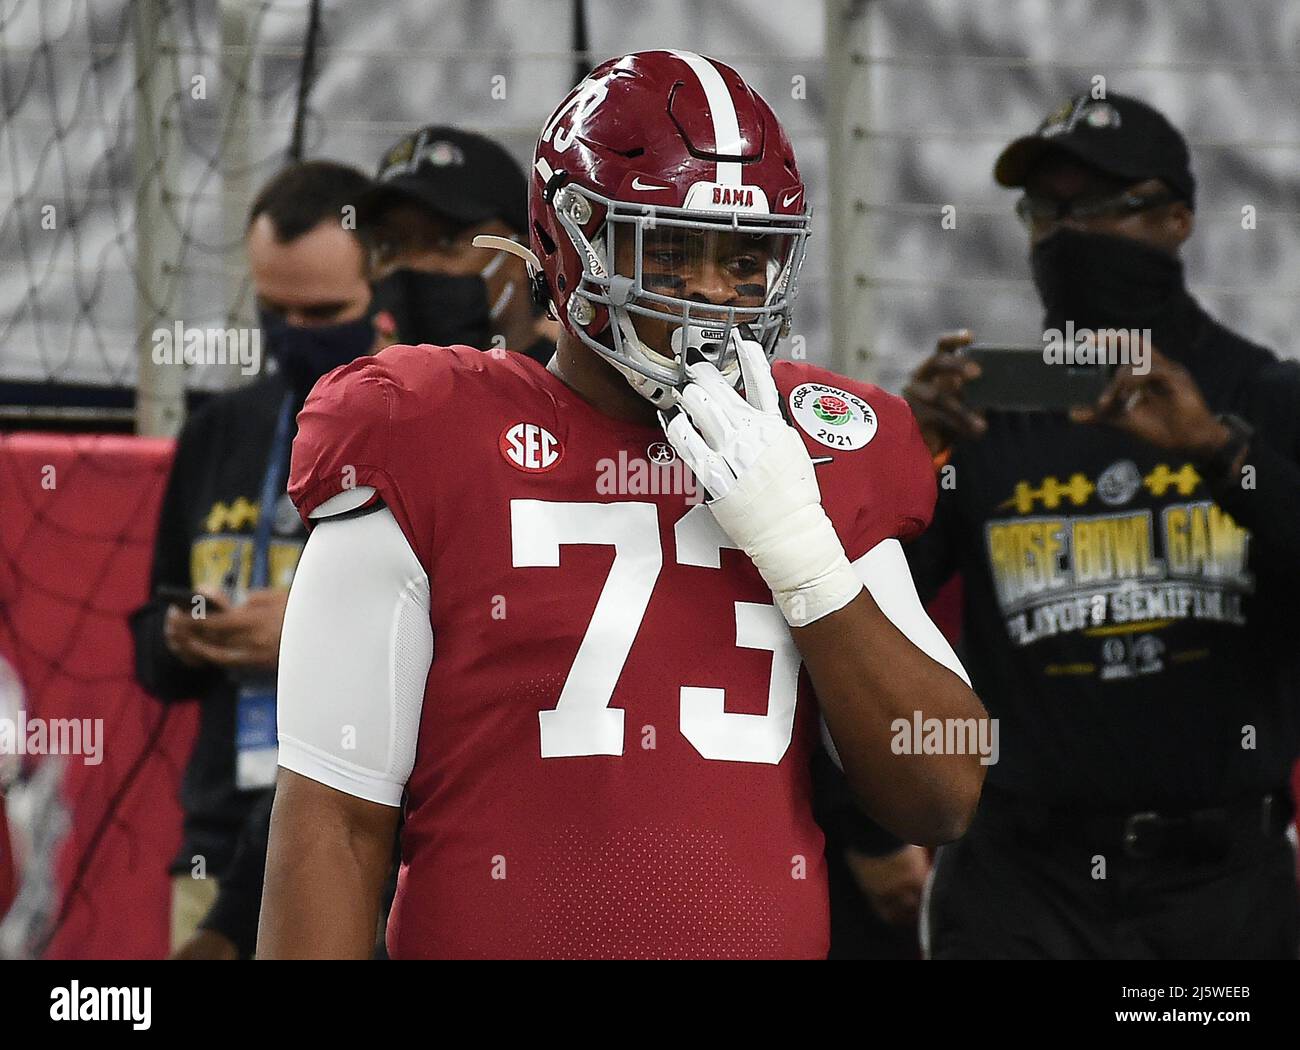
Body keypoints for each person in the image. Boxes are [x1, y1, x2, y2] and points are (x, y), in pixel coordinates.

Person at [258, 49, 987, 960]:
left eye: (746, 258)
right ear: (568, 240)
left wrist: (805, 555)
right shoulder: (429, 430)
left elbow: (943, 790)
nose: (716, 295)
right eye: (673, 249)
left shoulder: (816, 446)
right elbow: (333, 817)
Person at [904, 92, 1300, 959]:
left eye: (1098, 207)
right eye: (1046, 210)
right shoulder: (986, 410)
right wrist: (904, 456)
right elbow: (868, 616)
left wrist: (1220, 452)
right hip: (1025, 888)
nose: (1064, 233)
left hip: (1219, 894)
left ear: (1176, 219)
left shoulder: (1261, 397)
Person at [129, 159, 390, 958]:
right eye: (274, 311)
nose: (295, 336)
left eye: (324, 312)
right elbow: (150, 649)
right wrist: (184, 631)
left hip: (365, 841)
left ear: (383, 288)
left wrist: (311, 641)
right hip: (218, 828)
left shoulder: (422, 434)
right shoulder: (221, 431)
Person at [362, 125, 557, 362]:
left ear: (526, 252)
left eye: (447, 240)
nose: (413, 265)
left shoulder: (570, 392)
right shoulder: (360, 391)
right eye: (389, 246)